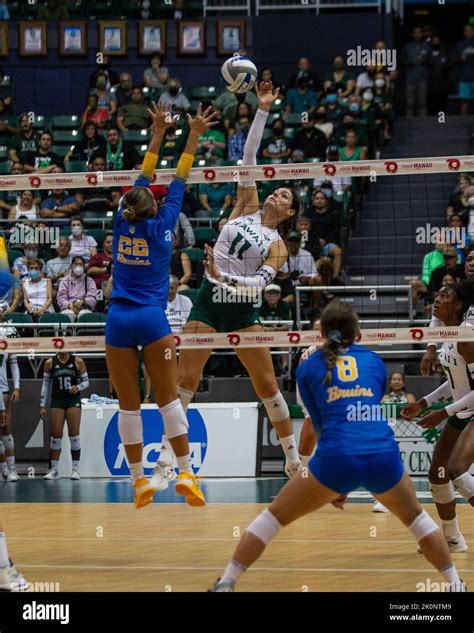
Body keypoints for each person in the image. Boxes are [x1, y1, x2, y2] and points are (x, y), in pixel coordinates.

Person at [211, 300, 466, 592]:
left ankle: (226, 582)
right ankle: (454, 583)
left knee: (272, 518)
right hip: (382, 454)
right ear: (358, 334)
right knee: (417, 519)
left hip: (336, 456)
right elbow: (366, 408)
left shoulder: (307, 368)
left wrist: (337, 484)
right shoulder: (374, 362)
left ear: (321, 334)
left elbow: (320, 427)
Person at [176, 82, 303, 479]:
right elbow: (248, 156)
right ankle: (170, 460)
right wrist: (262, 108)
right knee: (185, 381)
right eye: (277, 190)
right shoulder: (247, 204)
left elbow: (259, 287)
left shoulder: (278, 246)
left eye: (285, 196)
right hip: (208, 301)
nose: (276, 195)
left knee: (267, 385)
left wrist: (223, 275)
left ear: (289, 213)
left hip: (242, 310)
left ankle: (293, 459)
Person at [105, 101, 217, 509]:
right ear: (154, 207)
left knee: (128, 406)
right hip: (152, 319)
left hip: (118, 319)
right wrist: (193, 133)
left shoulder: (121, 222)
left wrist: (156, 132)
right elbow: (180, 176)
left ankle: (138, 481)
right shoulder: (164, 224)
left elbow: (144, 177)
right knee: (168, 400)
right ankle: (186, 472)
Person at [403, 282, 474, 553]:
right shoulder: (447, 336)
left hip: (469, 411)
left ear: (458, 305)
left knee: (455, 468)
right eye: (437, 295)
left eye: (444, 296)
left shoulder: (467, 337)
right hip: (462, 409)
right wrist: (424, 403)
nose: (436, 300)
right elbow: (456, 382)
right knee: (438, 473)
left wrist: (442, 413)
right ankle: (452, 538)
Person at [40, 352, 89, 480]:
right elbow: (45, 385)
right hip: (57, 401)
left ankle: (75, 470)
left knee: (74, 435)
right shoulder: (49, 363)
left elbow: (86, 382)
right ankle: (54, 470)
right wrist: (42, 405)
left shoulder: (78, 361)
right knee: (55, 436)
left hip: (73, 400)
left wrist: (78, 387)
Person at [0, 325, 20, 482]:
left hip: (3, 389)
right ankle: (4, 471)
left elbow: (13, 363)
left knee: (6, 431)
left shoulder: (7, 333)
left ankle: (12, 469)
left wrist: (17, 387)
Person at [57, 256, 97, 321]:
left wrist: (83, 301)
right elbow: (61, 299)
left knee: (84, 314)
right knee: (68, 314)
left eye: (80, 264)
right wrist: (70, 306)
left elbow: (93, 299)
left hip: (84, 308)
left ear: (84, 267)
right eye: (76, 264)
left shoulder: (90, 281)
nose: (78, 266)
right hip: (68, 308)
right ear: (71, 266)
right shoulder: (64, 280)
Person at [402, 26, 431, 117]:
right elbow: (401, 61)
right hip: (410, 78)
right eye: (415, 32)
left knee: (423, 103)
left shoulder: (427, 46)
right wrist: (408, 62)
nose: (417, 34)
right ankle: (409, 122)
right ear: (413, 34)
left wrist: (426, 62)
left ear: (422, 34)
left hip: (422, 78)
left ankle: (423, 122)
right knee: (409, 103)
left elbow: (432, 61)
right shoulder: (407, 47)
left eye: (419, 32)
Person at [454, 25, 474, 115]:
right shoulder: (460, 45)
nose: (469, 32)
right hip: (464, 77)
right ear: (464, 33)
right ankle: (464, 121)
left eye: (471, 30)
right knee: (464, 101)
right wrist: (460, 59)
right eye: (467, 31)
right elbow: (454, 60)